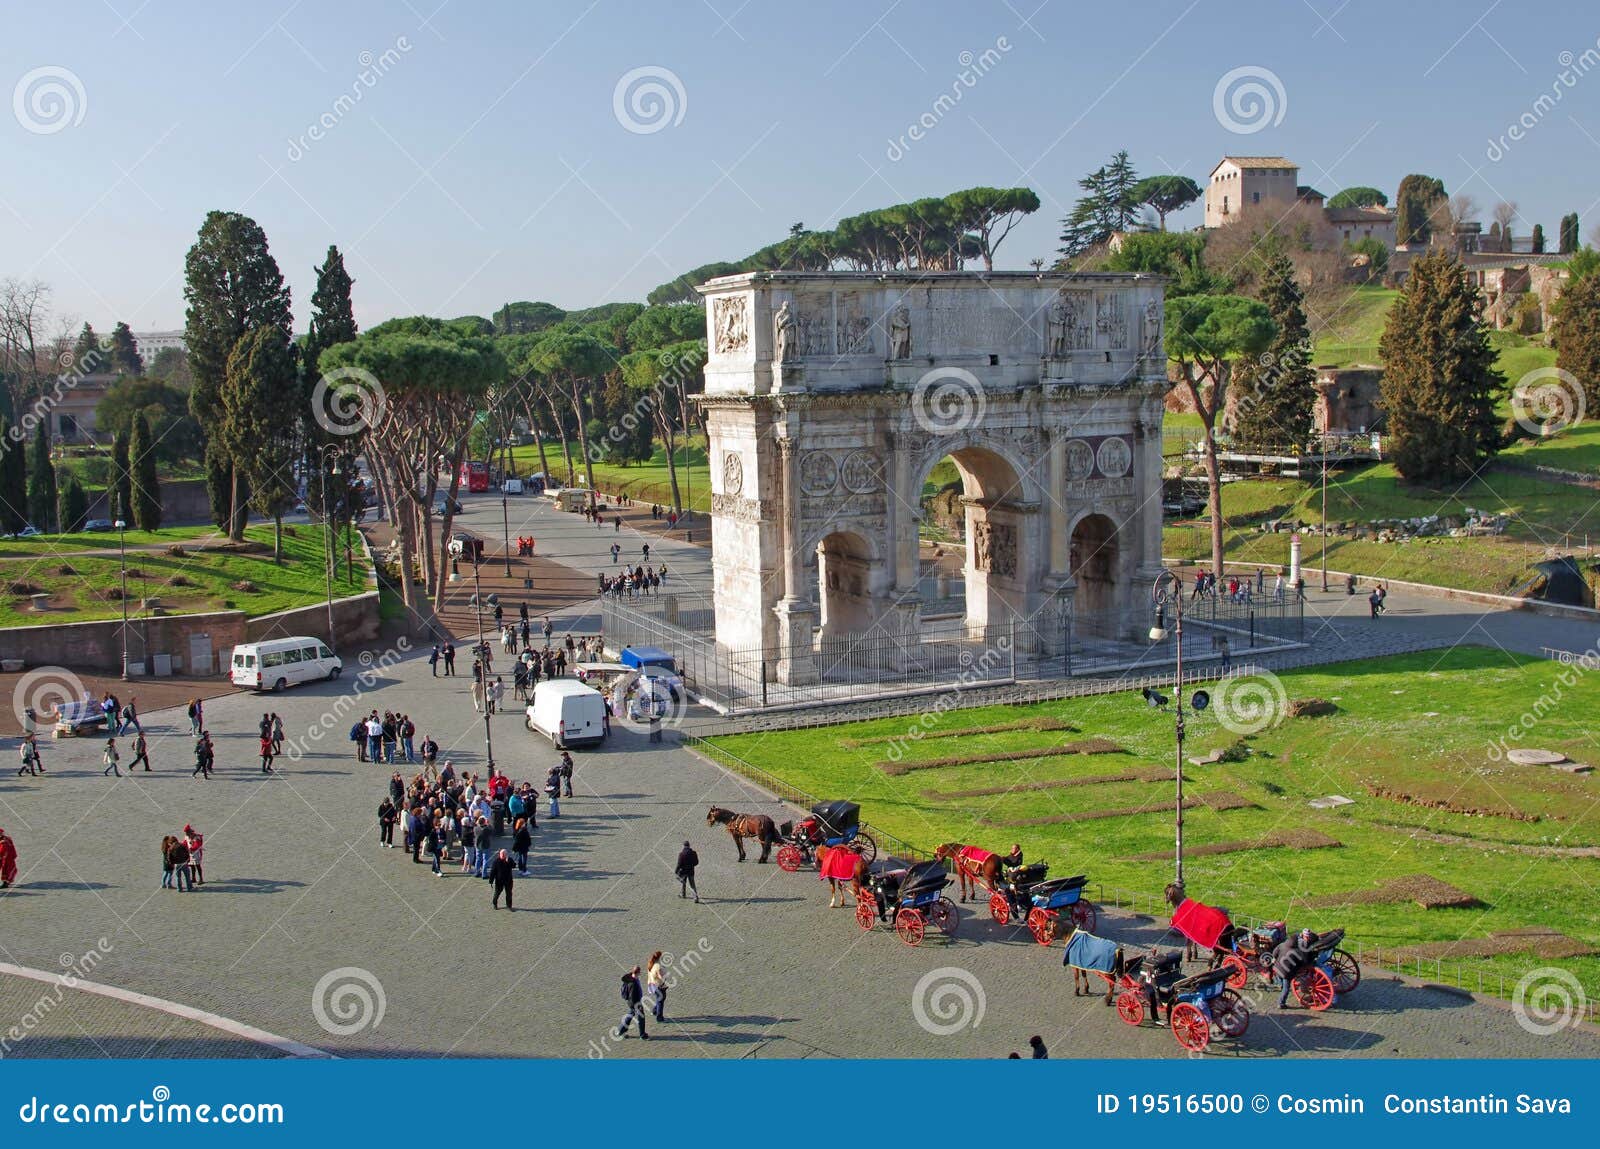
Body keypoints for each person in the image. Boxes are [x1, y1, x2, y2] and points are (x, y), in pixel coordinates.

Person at [1272, 928, 1320, 1009]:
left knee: (1279, 978)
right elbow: (1304, 961)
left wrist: (1274, 958)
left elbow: (1275, 952)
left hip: (1277, 967)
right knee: (1286, 989)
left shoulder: (1282, 945)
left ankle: (1279, 984)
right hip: (1287, 972)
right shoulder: (1298, 951)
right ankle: (1281, 1003)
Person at [615, 968, 648, 1039]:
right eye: (639, 972)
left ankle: (621, 1030)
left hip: (631, 1003)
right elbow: (633, 996)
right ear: (637, 973)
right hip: (636, 1003)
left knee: (630, 1015)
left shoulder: (630, 978)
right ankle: (642, 1035)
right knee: (641, 1018)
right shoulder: (633, 983)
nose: (640, 974)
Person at [646, 951, 668, 1022]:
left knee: (659, 999)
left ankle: (654, 1010)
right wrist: (666, 980)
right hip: (660, 986)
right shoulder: (657, 966)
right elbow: (660, 976)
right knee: (661, 1000)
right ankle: (659, 1017)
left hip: (653, 985)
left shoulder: (651, 964)